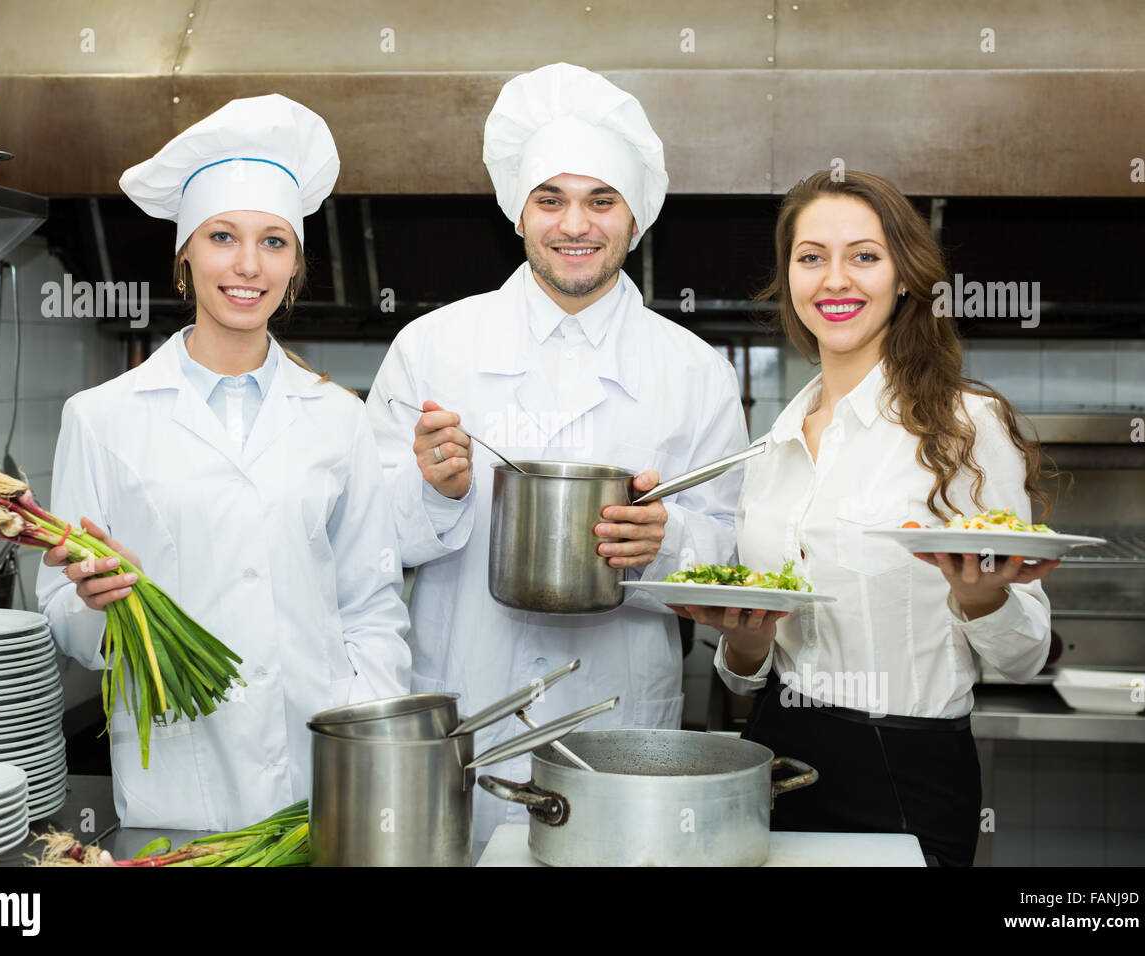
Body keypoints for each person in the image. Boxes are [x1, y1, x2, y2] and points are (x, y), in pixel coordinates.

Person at [365, 62, 749, 838]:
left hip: (622, 724)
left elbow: (737, 558)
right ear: (518, 213)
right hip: (467, 710)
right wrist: (432, 494)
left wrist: (667, 542)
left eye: (601, 200)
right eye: (552, 199)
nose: (576, 224)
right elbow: (364, 543)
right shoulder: (432, 348)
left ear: (635, 218)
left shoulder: (695, 372)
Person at [37, 94, 411, 831]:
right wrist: (96, 603)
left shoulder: (339, 418)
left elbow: (372, 605)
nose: (248, 266)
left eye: (274, 241)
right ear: (185, 254)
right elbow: (60, 618)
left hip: (320, 778)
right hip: (176, 778)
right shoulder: (101, 416)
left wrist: (362, 728)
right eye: (221, 237)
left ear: (297, 262)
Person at [678, 169, 1058, 867]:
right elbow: (746, 670)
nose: (835, 280)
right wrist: (747, 646)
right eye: (811, 256)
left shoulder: (966, 429)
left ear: (905, 277)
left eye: (864, 256)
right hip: (775, 753)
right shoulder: (773, 445)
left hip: (907, 767)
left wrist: (982, 599)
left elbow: (1026, 656)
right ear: (789, 278)